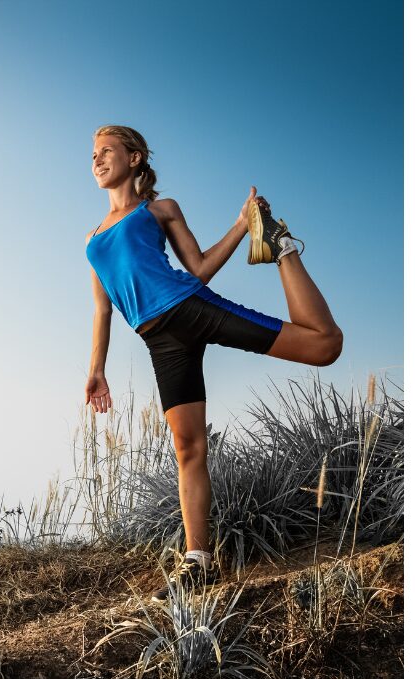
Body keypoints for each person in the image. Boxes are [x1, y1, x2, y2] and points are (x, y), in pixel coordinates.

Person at [83, 124, 342, 603]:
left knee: (325, 347)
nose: (96, 160)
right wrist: (97, 369)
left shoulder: (159, 209)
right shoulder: (92, 240)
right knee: (188, 449)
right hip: (158, 341)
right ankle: (198, 562)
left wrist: (245, 224)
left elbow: (199, 266)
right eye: (92, 155)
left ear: (135, 157)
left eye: (106, 151)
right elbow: (102, 310)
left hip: (191, 307)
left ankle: (282, 247)